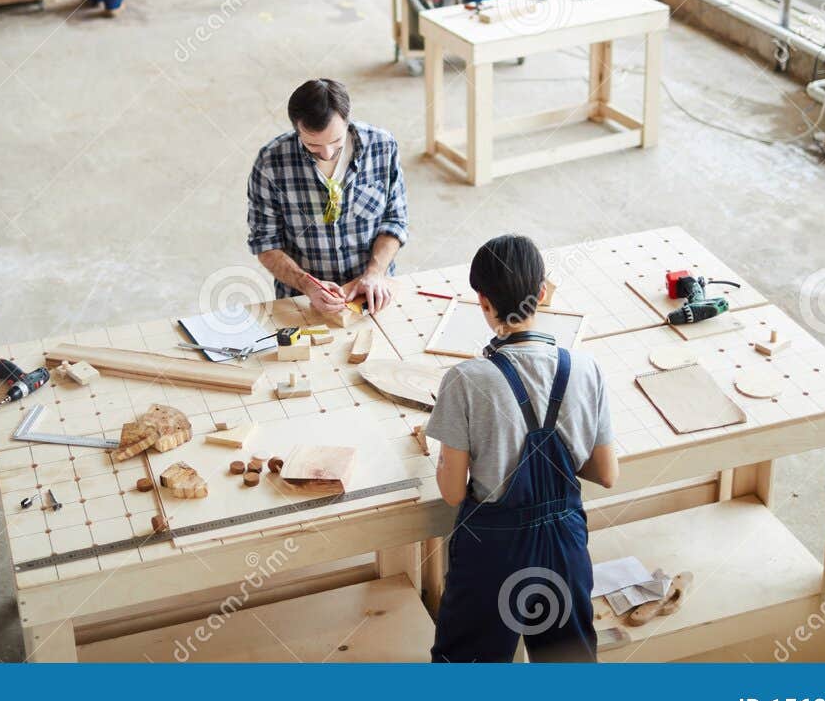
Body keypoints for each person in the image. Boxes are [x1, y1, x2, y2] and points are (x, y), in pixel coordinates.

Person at [424, 234, 619, 662]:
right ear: (543, 293)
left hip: (494, 553)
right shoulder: (586, 369)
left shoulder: (466, 379)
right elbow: (606, 473)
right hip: (563, 548)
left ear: (483, 303)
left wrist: (474, 446)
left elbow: (454, 492)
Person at [247, 78, 407, 314]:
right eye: (312, 144)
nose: (327, 153)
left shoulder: (382, 146)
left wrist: (373, 273)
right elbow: (265, 243)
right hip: (302, 301)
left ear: (347, 119)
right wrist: (307, 285)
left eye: (336, 141)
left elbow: (395, 220)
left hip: (371, 294)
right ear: (296, 128)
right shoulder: (271, 163)